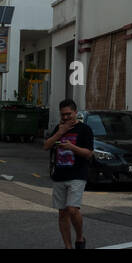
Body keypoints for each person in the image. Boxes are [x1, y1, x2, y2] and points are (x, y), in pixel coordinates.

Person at [43, 99, 94, 248]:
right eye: (63, 115)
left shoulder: (85, 130)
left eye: (68, 114)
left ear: (75, 113)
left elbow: (88, 154)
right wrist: (60, 132)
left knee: (72, 209)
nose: (65, 118)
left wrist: (72, 147)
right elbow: (46, 146)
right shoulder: (59, 129)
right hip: (60, 175)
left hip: (77, 174)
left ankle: (79, 237)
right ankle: (68, 246)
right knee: (62, 213)